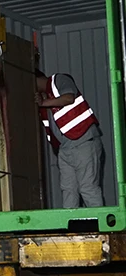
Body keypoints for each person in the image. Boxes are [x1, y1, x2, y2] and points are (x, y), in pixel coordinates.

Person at [35, 70, 104, 208]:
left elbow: (69, 98)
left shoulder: (59, 80)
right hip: (65, 149)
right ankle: (71, 227)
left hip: (83, 142)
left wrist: (44, 103)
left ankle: (101, 228)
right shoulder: (42, 100)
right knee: (68, 191)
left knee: (88, 188)